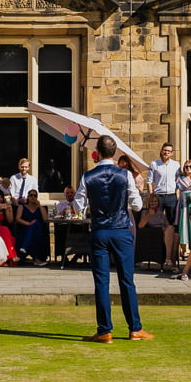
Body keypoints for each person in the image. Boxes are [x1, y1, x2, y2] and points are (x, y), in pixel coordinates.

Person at [74, 134, 152, 343]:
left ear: (97, 153)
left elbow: (78, 208)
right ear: (114, 152)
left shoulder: (87, 177)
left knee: (101, 281)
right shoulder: (125, 175)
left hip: (99, 230)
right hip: (120, 230)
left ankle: (104, 331)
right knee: (127, 280)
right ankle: (135, 328)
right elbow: (137, 205)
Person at [137, 193, 178, 270]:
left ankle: (171, 262)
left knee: (176, 236)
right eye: (152, 201)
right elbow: (140, 226)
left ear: (158, 203)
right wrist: (149, 215)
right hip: (154, 234)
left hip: (164, 233)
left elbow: (168, 226)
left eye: (155, 201)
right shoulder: (145, 213)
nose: (153, 203)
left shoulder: (161, 214)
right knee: (172, 232)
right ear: (148, 203)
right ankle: (169, 260)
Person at [147, 143, 180, 224]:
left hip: (171, 196)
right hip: (158, 197)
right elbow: (149, 181)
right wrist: (151, 195)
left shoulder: (176, 165)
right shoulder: (154, 164)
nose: (166, 152)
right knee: (156, 220)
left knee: (171, 220)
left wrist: (178, 196)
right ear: (161, 151)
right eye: (165, 150)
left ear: (172, 153)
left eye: (169, 151)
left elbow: (179, 181)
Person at [14, 188, 49, 265]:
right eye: (31, 195)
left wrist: (39, 206)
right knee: (33, 226)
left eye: (35, 196)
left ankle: (25, 246)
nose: (33, 197)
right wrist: (28, 223)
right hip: (25, 227)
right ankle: (37, 260)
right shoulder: (22, 207)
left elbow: (45, 219)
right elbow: (18, 218)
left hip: (38, 229)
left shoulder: (41, 208)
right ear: (28, 197)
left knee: (36, 223)